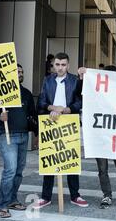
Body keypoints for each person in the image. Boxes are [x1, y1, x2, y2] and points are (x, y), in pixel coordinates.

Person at [77, 65, 116, 211]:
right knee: (102, 169)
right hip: (101, 137)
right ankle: (107, 195)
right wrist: (82, 78)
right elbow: (81, 94)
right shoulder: (96, 91)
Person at [34, 52, 88, 209]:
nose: (60, 67)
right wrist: (53, 108)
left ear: (68, 66)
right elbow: (42, 102)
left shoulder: (74, 80)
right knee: (50, 159)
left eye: (63, 65)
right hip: (50, 123)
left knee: (71, 159)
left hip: (69, 123)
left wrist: (66, 110)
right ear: (53, 65)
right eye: (57, 64)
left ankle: (75, 195)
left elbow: (80, 102)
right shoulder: (47, 80)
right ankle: (46, 197)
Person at [0, 64, 37, 218]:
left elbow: (32, 115)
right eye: (17, 71)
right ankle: (2, 205)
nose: (20, 73)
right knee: (10, 171)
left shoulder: (27, 94)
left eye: (21, 71)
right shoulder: (1, 93)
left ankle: (12, 200)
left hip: (24, 137)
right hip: (7, 136)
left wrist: (37, 134)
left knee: (18, 172)